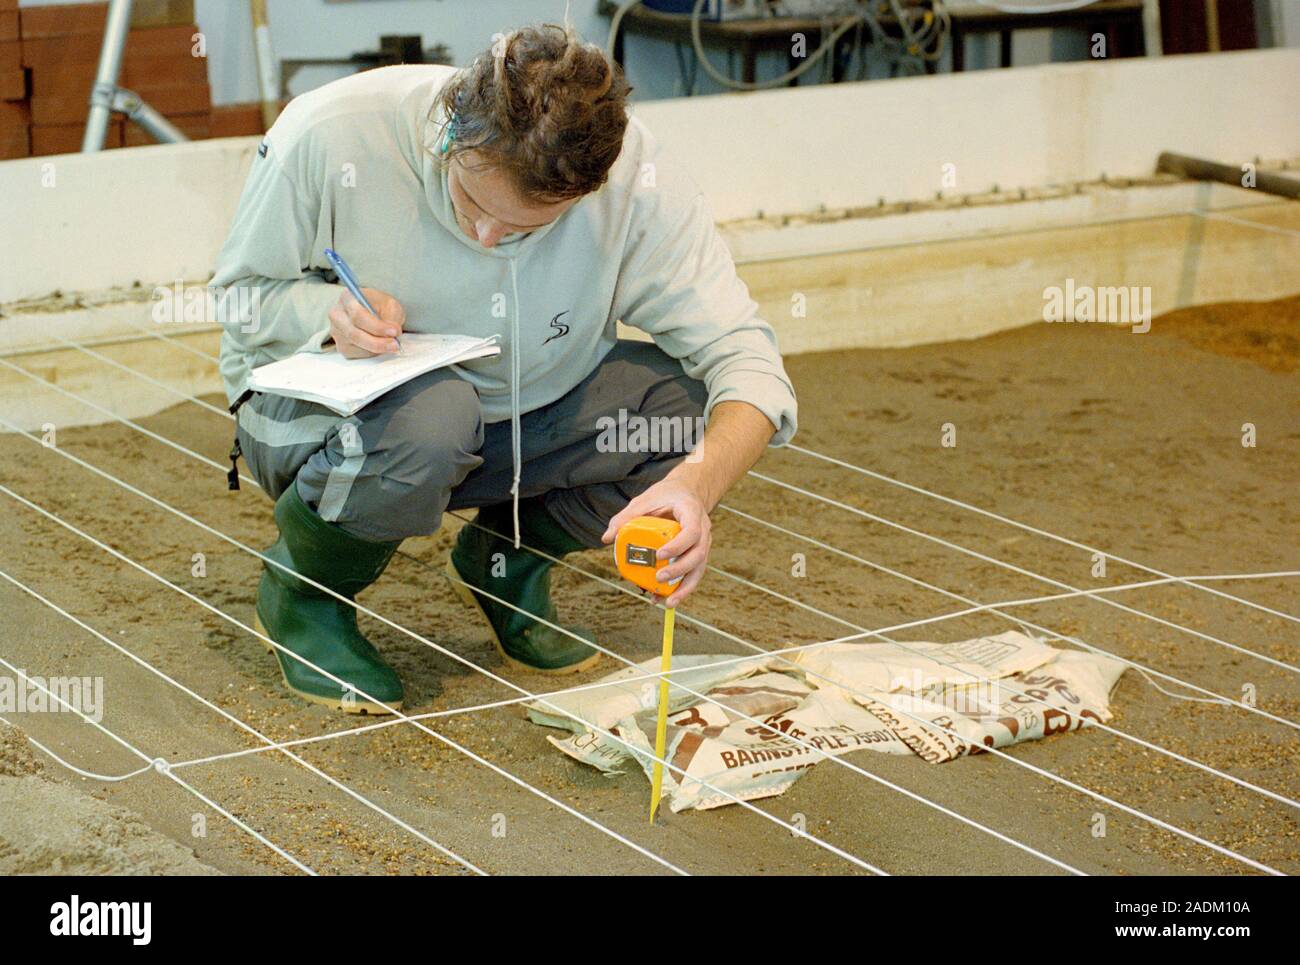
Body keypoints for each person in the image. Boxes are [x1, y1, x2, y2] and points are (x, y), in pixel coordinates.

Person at [212, 24, 797, 715]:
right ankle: (303, 594)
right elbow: (236, 297)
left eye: (524, 228)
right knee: (434, 417)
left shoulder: (637, 182)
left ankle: (504, 562)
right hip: (318, 414)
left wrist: (696, 486)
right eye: (470, 201)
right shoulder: (331, 131)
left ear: (587, 190)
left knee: (686, 416)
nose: (486, 239)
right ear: (451, 132)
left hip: (516, 417)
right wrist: (326, 312)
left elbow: (749, 363)